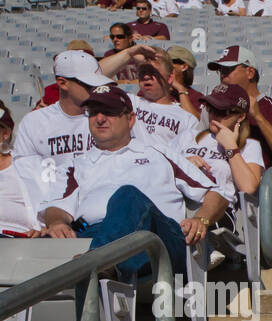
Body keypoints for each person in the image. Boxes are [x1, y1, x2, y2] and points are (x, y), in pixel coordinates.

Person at [36, 84, 230, 282]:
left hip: (158, 239)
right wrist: (57, 222)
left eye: (109, 112)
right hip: (95, 234)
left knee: (128, 196)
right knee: (38, 245)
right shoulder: (76, 165)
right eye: (93, 113)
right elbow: (56, 206)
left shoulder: (159, 152)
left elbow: (217, 194)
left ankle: (97, 264)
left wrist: (201, 220)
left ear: (130, 119)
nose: (100, 119)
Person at [207, 46, 272, 252]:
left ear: (250, 72)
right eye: (220, 71)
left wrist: (258, 116)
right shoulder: (213, 104)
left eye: (228, 70)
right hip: (220, 173)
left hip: (263, 179)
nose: (222, 76)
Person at [180, 83, 265, 267]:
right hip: (180, 203)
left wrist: (231, 149)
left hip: (218, 213)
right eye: (211, 108)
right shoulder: (188, 137)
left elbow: (249, 187)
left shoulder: (249, 146)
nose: (213, 115)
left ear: (240, 116)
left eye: (221, 111)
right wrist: (184, 162)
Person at [13, 51, 111, 202]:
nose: (95, 88)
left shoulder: (109, 118)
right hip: (51, 210)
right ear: (62, 83)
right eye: (87, 83)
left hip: (98, 204)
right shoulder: (34, 122)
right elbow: (28, 179)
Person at [132, 60, 199, 149]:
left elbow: (190, 150)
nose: (146, 76)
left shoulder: (187, 118)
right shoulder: (130, 102)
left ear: (170, 78)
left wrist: (181, 89)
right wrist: (129, 53)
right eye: (142, 72)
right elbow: (106, 79)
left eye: (153, 72)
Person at [0, 102, 43, 236]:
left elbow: (51, 200)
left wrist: (45, 226)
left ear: (5, 133)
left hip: (17, 240)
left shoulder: (26, 164)